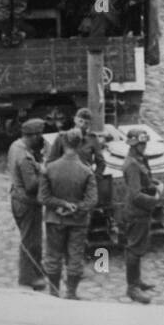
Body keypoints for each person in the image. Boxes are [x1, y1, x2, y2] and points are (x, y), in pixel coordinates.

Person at [39, 128, 98, 299]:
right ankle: (71, 293)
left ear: (63, 143)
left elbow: (43, 197)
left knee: (53, 256)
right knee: (75, 257)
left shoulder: (49, 168)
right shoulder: (87, 171)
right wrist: (75, 207)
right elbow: (92, 200)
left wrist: (60, 205)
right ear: (79, 144)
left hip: (54, 219)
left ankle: (53, 292)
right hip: (78, 222)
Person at [121, 127, 161, 303]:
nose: (144, 146)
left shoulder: (139, 159)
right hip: (136, 212)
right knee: (134, 249)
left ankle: (137, 281)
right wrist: (156, 199)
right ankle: (132, 288)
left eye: (144, 143)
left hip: (142, 211)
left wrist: (154, 184)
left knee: (138, 248)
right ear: (133, 144)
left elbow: (147, 180)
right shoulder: (132, 165)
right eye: (141, 144)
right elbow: (136, 195)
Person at [7, 120, 47, 291]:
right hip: (27, 204)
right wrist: (45, 176)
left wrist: (39, 166)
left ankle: (36, 271)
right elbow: (31, 185)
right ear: (34, 136)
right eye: (40, 135)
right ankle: (27, 280)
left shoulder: (16, 146)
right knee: (30, 242)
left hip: (17, 198)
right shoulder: (24, 157)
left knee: (31, 239)